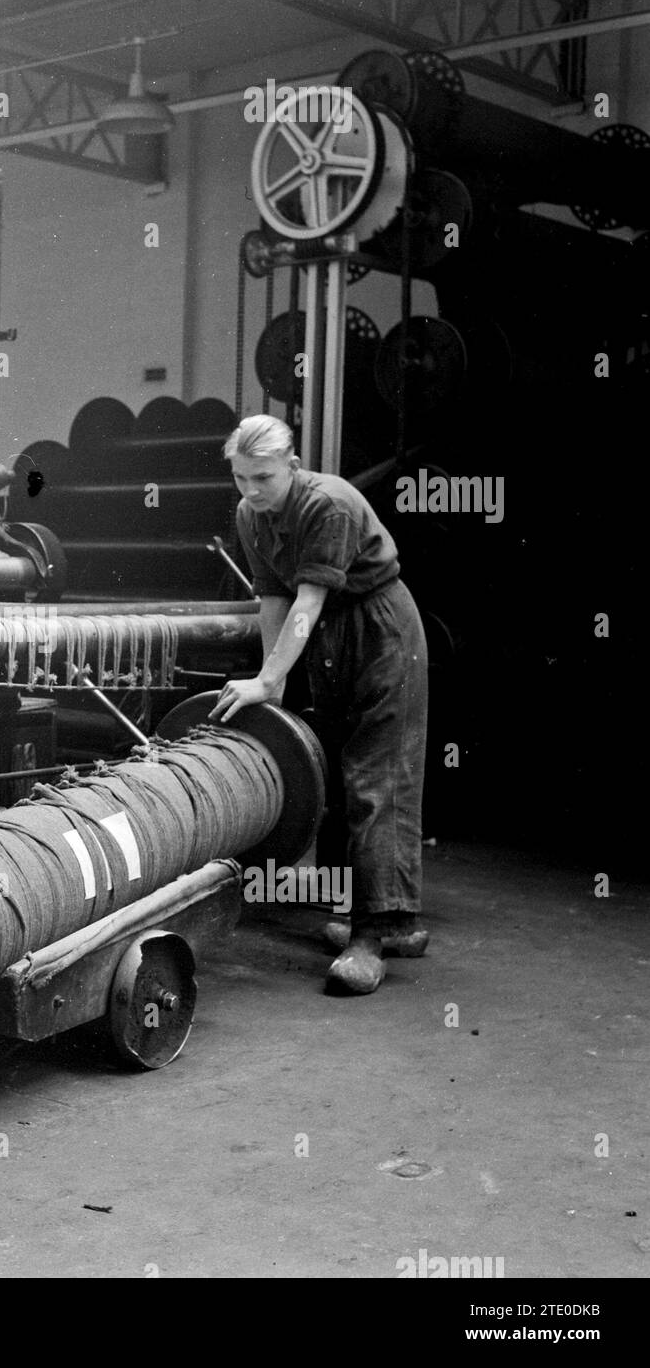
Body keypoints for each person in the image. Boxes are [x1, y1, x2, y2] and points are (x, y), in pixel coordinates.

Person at [209, 415, 428, 994]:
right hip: (329, 636)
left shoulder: (328, 503)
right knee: (333, 776)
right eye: (240, 478)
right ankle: (388, 917)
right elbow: (273, 601)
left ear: (294, 468)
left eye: (263, 478)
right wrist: (269, 683)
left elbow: (308, 599)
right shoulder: (248, 516)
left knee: (376, 781)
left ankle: (369, 938)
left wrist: (272, 675)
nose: (252, 492)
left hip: (382, 632)